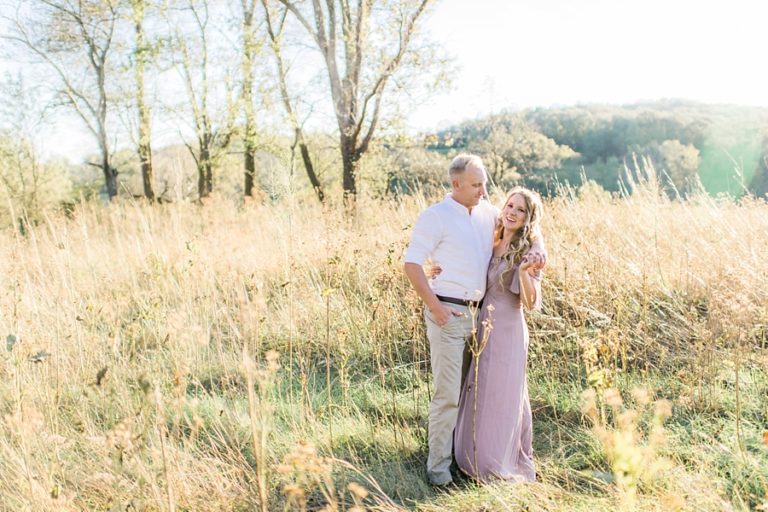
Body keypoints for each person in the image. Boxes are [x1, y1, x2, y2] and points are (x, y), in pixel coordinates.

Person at [403, 154, 544, 486]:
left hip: (483, 319)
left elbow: (527, 224)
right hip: (448, 315)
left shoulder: (487, 213)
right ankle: (439, 470)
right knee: (449, 394)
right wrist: (435, 306)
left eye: (485, 183)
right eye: (478, 184)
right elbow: (411, 264)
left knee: (473, 394)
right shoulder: (435, 216)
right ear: (457, 184)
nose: (485, 190)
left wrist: (540, 251)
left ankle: (465, 456)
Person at [452, 186, 545, 483]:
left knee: (502, 394)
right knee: (479, 389)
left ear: (528, 218)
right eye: (509, 205)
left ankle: (495, 461)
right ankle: (469, 455)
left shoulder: (528, 252)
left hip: (508, 330)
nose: (512, 212)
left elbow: (531, 303)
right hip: (483, 326)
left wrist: (523, 274)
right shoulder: (492, 238)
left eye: (520, 210)